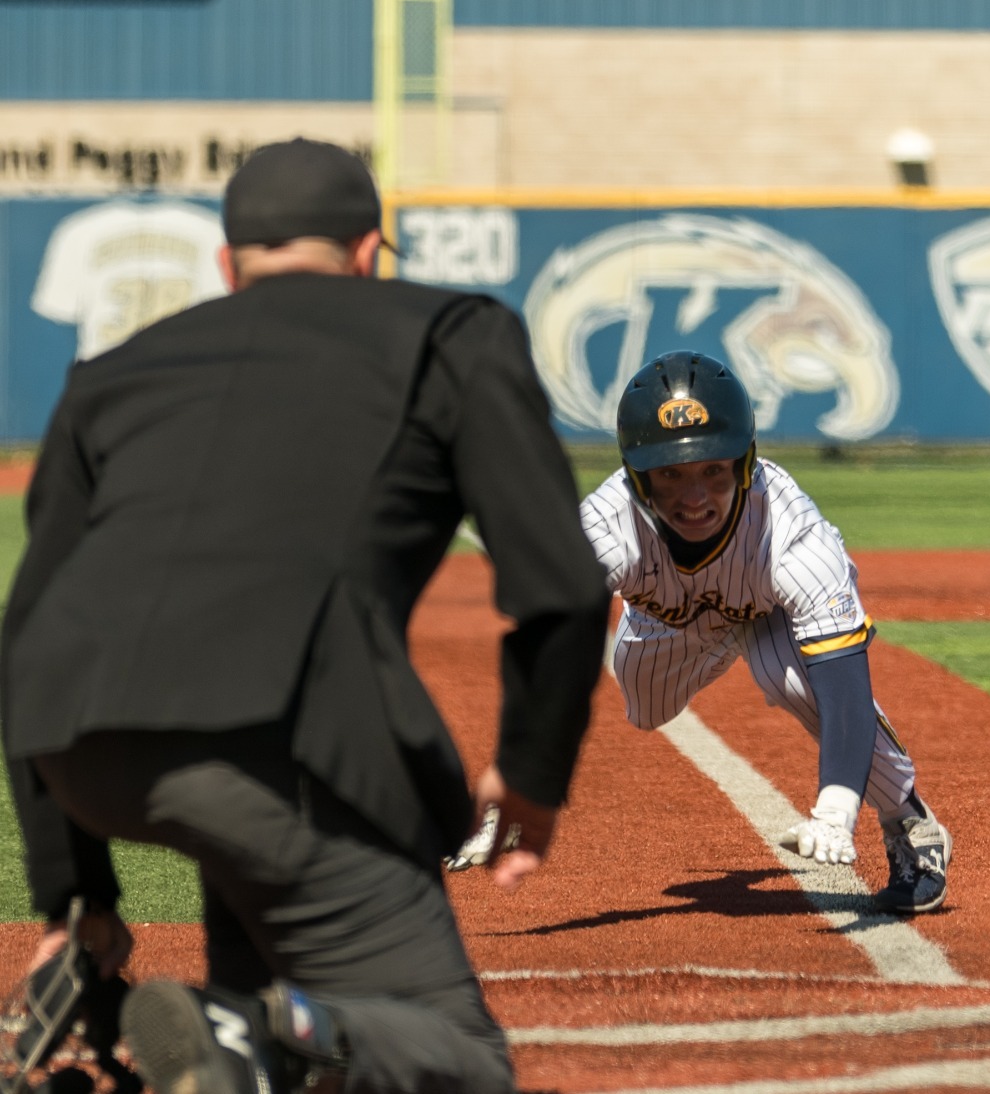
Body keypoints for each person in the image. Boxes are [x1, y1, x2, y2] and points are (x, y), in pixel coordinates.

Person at [2, 139, 609, 1094]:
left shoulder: (112, 370)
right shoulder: (454, 331)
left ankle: (244, 1038)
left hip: (81, 747)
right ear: (370, 253)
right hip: (279, 740)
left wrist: (75, 901)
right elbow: (563, 584)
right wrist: (533, 774)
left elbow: (26, 627)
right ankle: (260, 1039)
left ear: (225, 265)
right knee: (457, 1056)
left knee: (261, 977)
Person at [574, 349, 952, 913]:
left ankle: (910, 823)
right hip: (664, 617)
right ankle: (710, 632)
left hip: (764, 606)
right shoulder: (603, 529)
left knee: (793, 681)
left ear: (745, 462)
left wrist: (836, 808)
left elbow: (844, 687)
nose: (695, 495)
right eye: (671, 474)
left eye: (713, 469)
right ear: (637, 475)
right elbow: (545, 649)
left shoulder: (793, 533)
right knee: (645, 712)